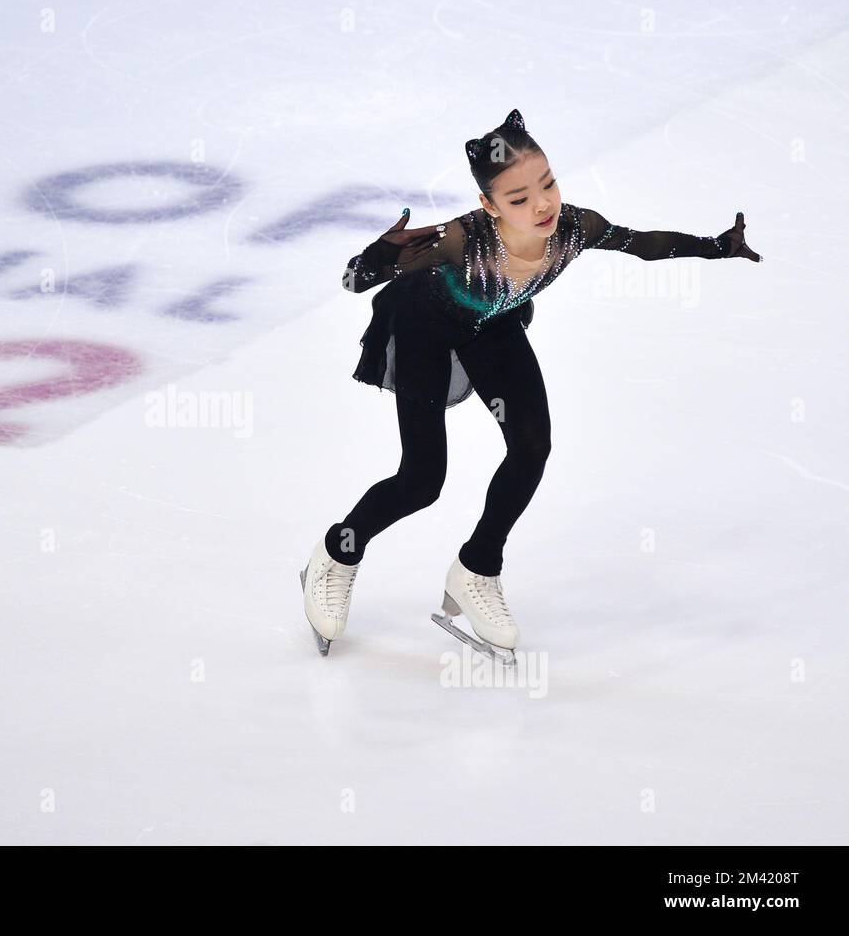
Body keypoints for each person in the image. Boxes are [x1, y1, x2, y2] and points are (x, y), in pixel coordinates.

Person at [300, 108, 762, 657]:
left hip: (489, 324)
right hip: (426, 328)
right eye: (518, 199)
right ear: (489, 207)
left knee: (532, 446)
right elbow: (353, 280)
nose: (542, 204)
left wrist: (716, 246)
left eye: (547, 184)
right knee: (422, 481)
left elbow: (641, 243)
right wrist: (380, 257)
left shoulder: (575, 227)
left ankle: (476, 569)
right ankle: (336, 554)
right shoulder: (456, 240)